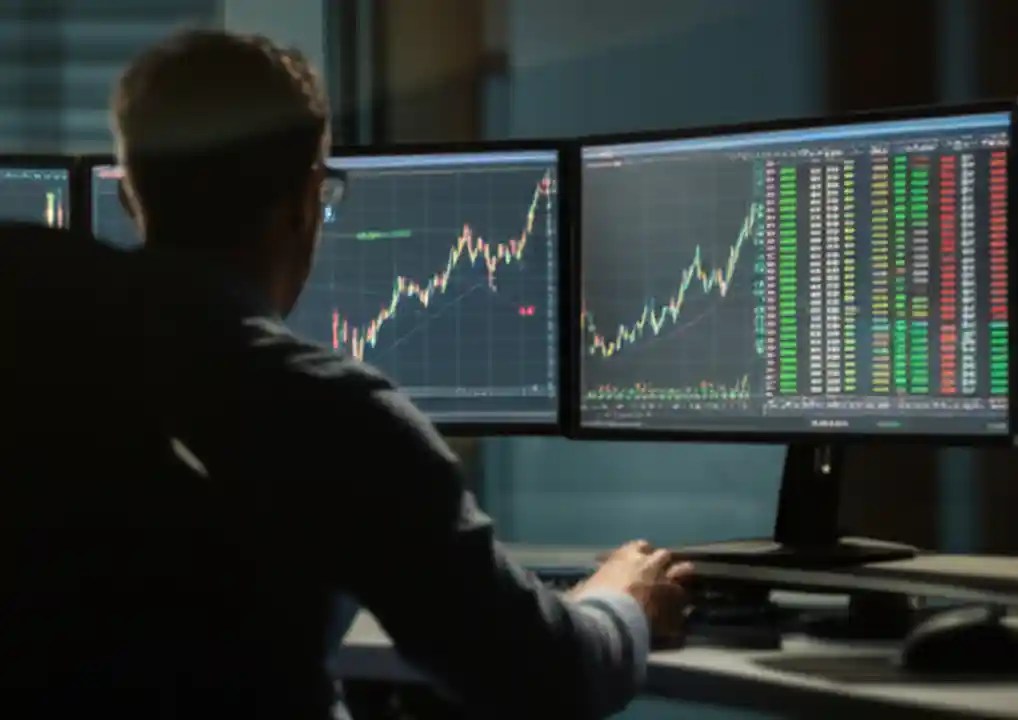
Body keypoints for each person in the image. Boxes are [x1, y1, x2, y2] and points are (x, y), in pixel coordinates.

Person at [0, 29, 691, 719]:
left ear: (130, 198)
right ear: (306, 201)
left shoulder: (32, 343)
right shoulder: (325, 410)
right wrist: (621, 601)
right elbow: (549, 676)